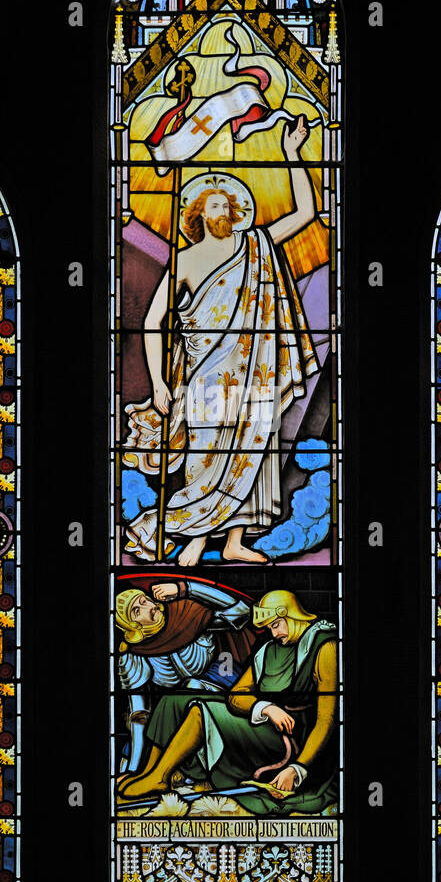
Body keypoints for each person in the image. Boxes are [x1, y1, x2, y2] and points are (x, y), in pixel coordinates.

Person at [123, 117, 320, 566]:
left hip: (255, 370)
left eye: (225, 205)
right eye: (210, 207)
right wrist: (158, 383)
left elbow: (305, 215)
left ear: (235, 211)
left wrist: (292, 155)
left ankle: (233, 541)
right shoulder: (187, 260)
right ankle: (196, 536)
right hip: (205, 376)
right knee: (206, 454)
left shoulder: (257, 246)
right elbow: (154, 320)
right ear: (198, 216)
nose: (220, 213)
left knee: (254, 449)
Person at [115, 589, 338, 816]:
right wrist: (265, 708)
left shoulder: (324, 646)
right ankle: (151, 772)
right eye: (270, 627)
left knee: (202, 711)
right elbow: (236, 696)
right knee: (174, 699)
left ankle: (160, 777)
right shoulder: (269, 650)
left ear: (291, 615)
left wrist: (298, 769)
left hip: (292, 741)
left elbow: (326, 719)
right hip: (265, 726)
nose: (273, 633)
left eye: (276, 625)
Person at [115, 578, 255, 775]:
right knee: (142, 748)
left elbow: (242, 613)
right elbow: (139, 716)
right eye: (137, 611)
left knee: (190, 688)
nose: (148, 607)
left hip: (223, 691)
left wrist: (186, 588)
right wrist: (133, 770)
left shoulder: (188, 616)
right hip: (175, 714)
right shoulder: (135, 655)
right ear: (131, 626)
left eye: (144, 600)